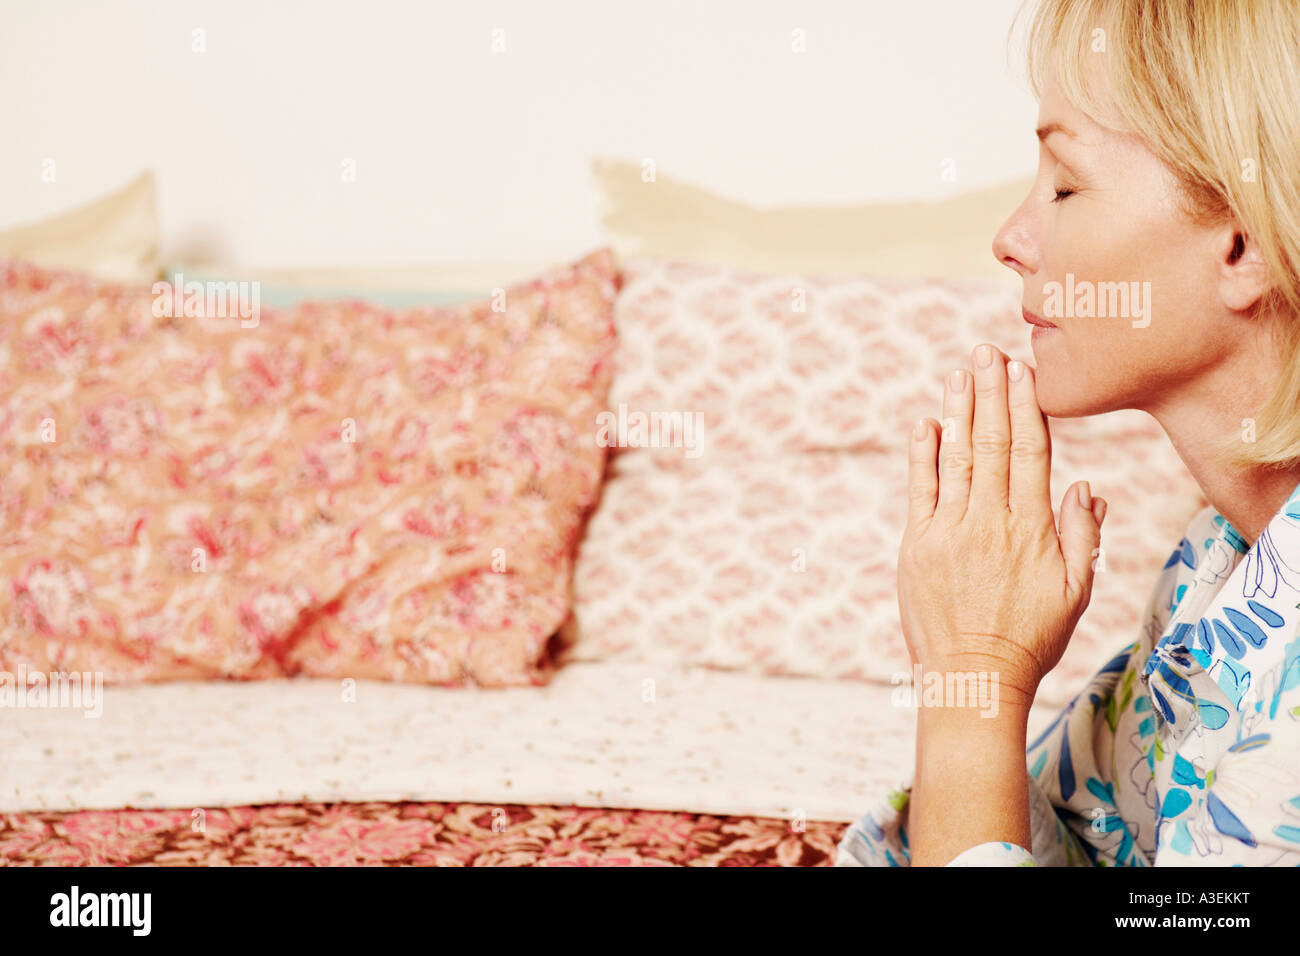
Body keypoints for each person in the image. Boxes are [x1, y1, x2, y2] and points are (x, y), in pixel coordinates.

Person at [837, 0, 1300, 866]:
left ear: (1245, 244)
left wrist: (971, 682)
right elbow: (1088, 847)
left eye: (1065, 185)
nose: (1009, 240)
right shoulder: (1218, 562)